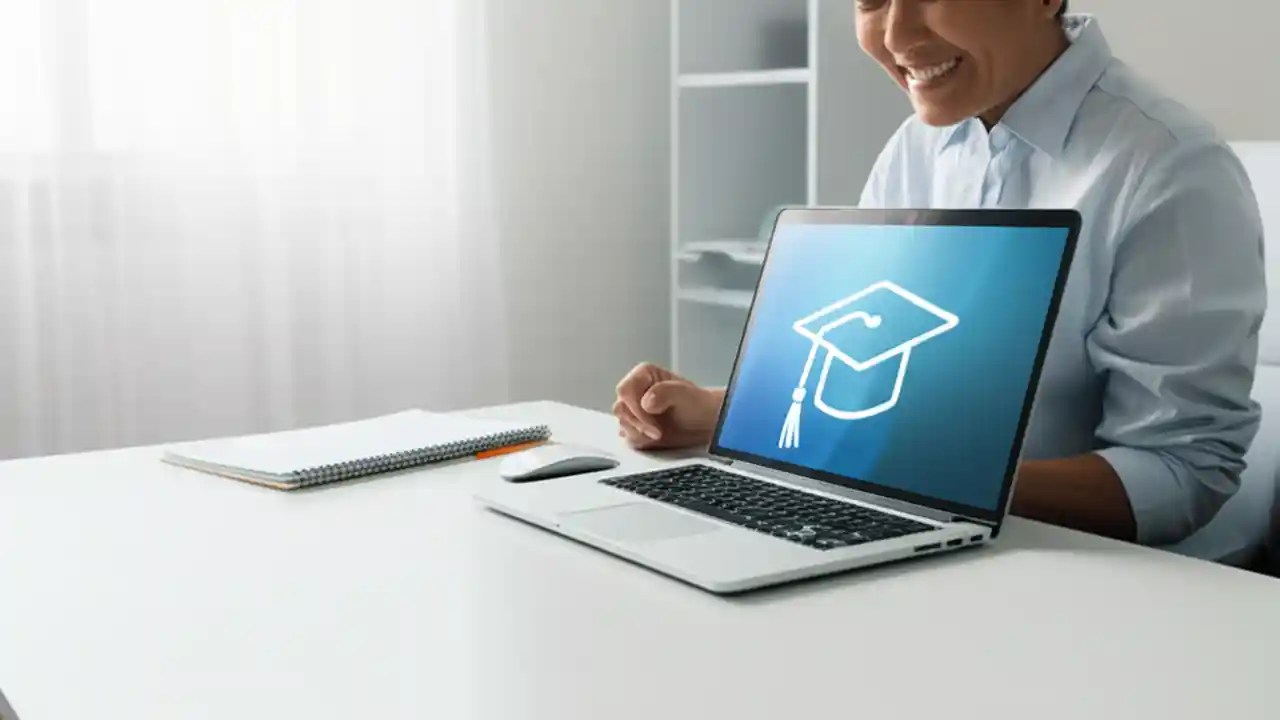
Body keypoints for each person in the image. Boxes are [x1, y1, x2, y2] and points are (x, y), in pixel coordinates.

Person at [614, 1, 1267, 551]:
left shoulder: (1169, 167)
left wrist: (929, 482)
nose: (896, 37)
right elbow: (883, 375)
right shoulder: (914, 149)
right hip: (908, 537)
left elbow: (1182, 471)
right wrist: (720, 415)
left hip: (1072, 583)